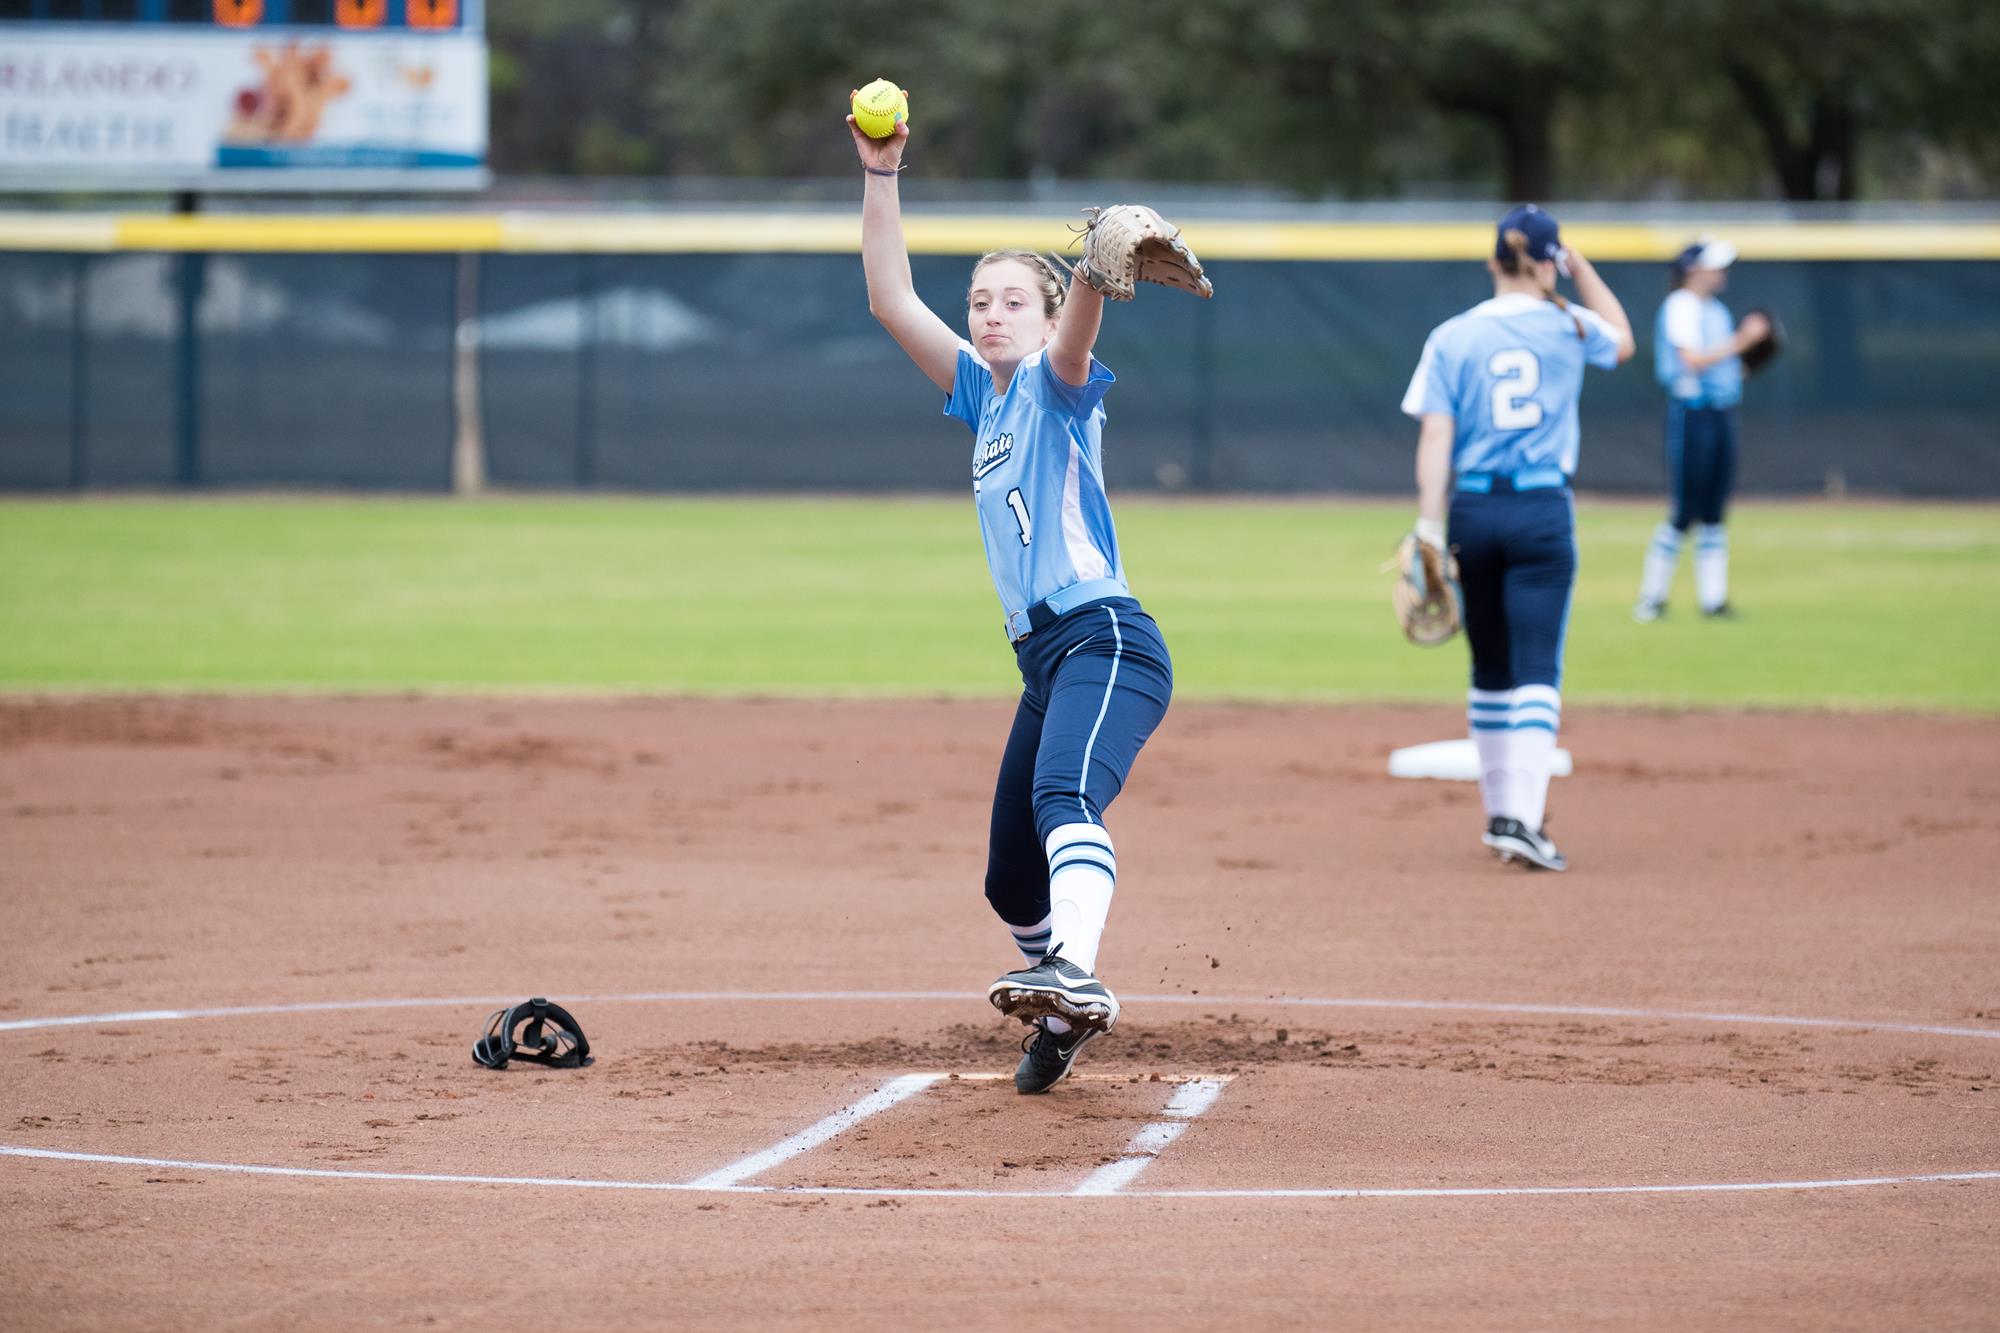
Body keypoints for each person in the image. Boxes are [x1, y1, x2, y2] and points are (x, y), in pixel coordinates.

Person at [849, 108, 1174, 1093]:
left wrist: (1090, 271)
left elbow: (1075, 339)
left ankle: (1073, 972)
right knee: (1007, 878)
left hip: (1104, 639)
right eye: (979, 301)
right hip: (1042, 663)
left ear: (1040, 317)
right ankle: (1060, 1008)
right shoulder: (981, 397)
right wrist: (881, 173)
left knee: (1062, 796)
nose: (990, 315)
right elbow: (889, 299)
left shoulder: (1052, 384)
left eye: (1010, 302)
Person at [1401, 205, 1635, 872]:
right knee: (1537, 668)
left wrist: (1428, 524)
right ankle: (1523, 822)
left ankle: (1500, 816)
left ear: (1492, 262)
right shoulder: (1569, 324)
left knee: (1491, 668)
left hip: (1473, 509)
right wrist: (1581, 270)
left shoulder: (1452, 335)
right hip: (1540, 508)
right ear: (1550, 262)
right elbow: (1623, 341)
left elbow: (1436, 433)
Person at [1633, 239, 1771, 622]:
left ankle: (1714, 599)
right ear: (1694, 270)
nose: (1721, 273)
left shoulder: (1716, 310)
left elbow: (1728, 370)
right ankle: (1652, 598)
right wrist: (1742, 341)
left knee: (1714, 510)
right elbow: (1691, 360)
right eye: (1714, 266)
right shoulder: (1682, 305)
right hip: (1693, 413)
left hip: (1721, 411)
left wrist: (1755, 353)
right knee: (1684, 510)